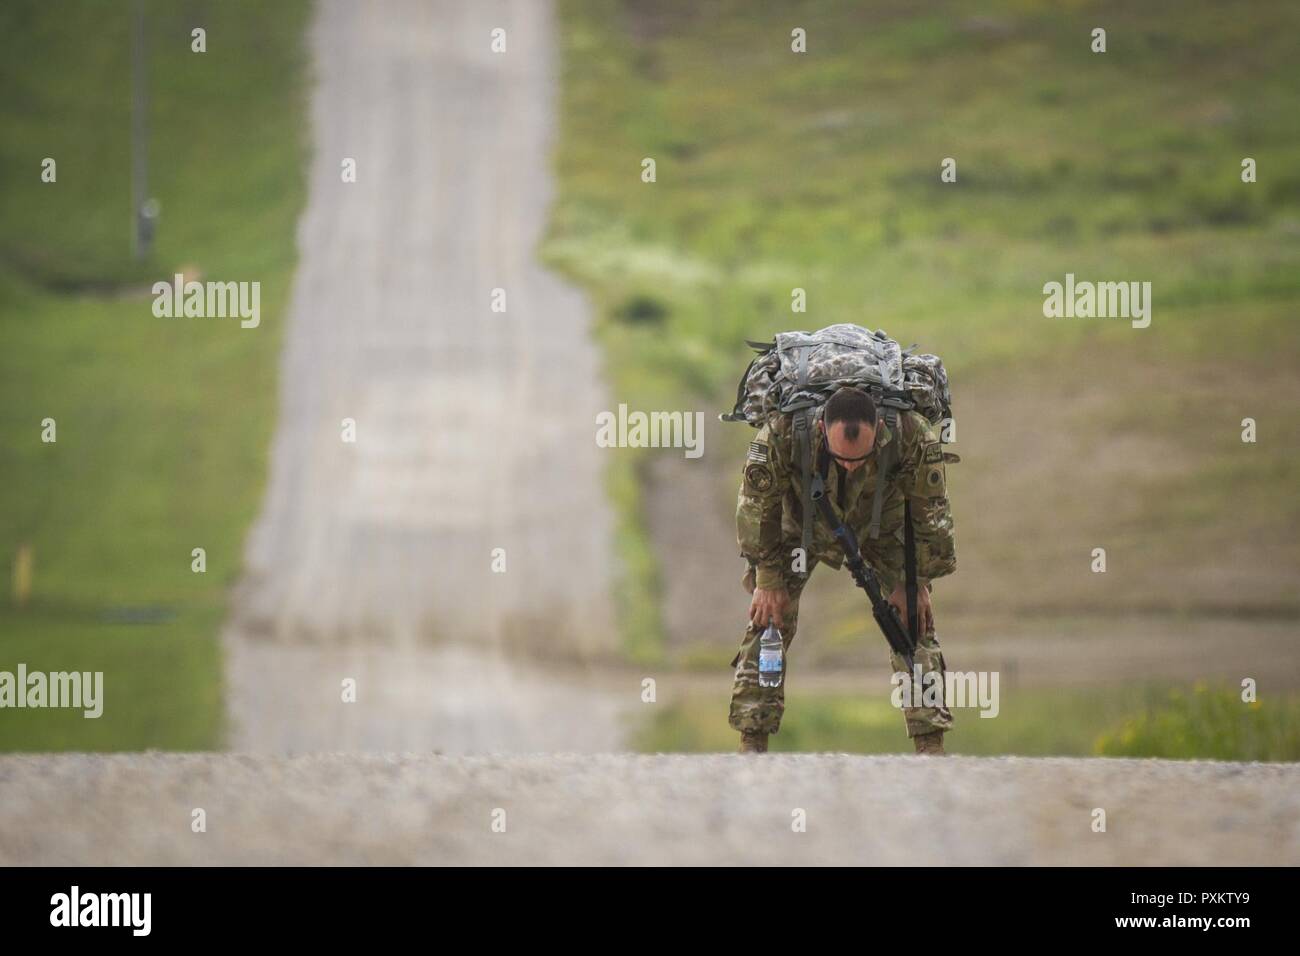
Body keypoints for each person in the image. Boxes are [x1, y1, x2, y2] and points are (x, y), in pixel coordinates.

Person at [729, 385, 956, 754]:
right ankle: (752, 740)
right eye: (842, 458)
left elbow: (931, 513)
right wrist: (768, 579)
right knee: (767, 620)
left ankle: (930, 744)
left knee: (913, 619)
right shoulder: (784, 433)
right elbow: (756, 506)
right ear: (821, 430)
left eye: (860, 458)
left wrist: (915, 581)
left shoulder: (911, 434)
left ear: (879, 430)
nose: (850, 466)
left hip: (882, 525)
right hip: (803, 524)